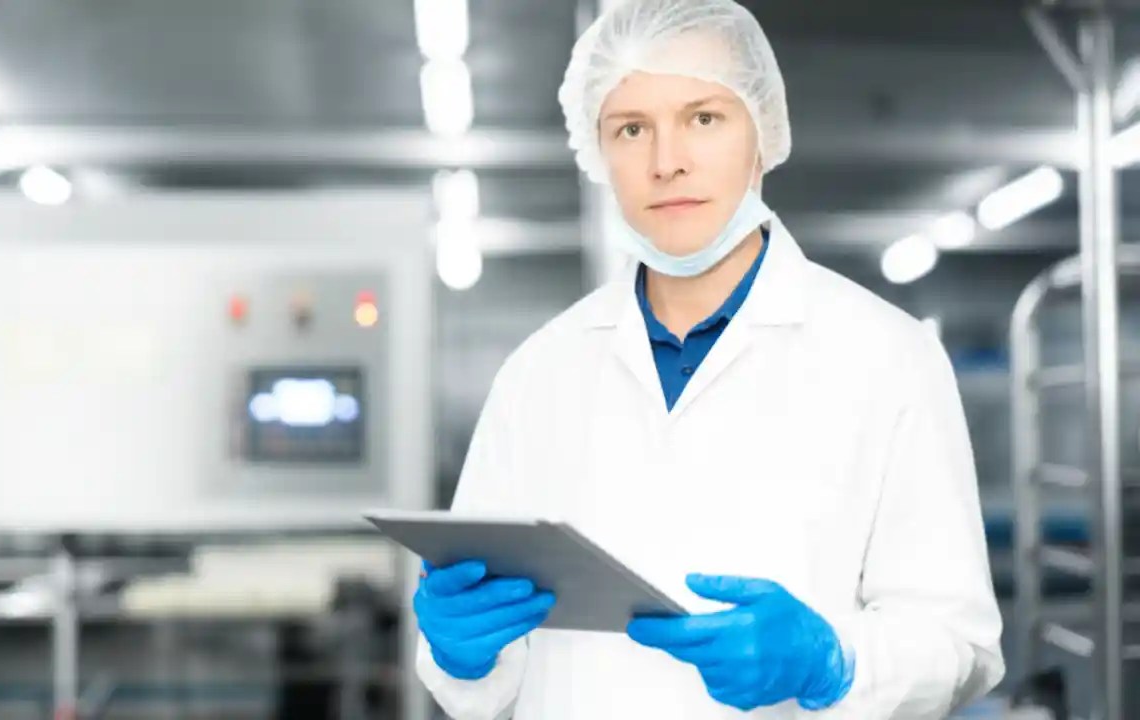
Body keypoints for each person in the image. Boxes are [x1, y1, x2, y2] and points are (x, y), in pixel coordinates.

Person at [412, 0, 1005, 717]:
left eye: (703, 118)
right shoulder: (539, 373)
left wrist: (831, 661)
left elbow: (958, 647)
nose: (668, 162)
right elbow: (484, 687)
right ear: (598, 153)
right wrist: (462, 653)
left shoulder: (889, 356)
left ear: (762, 135)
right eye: (632, 129)